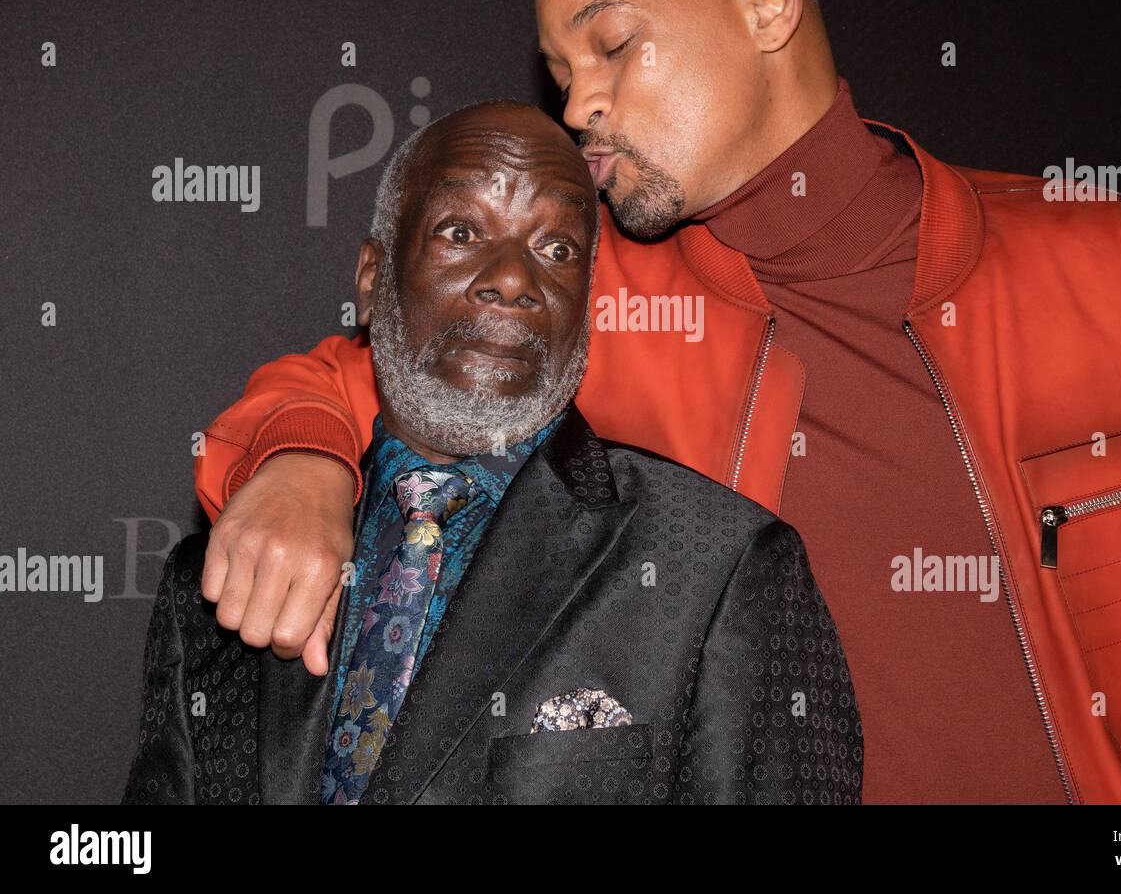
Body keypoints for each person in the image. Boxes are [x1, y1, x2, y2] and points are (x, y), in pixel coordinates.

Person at [190, 0, 1121, 803]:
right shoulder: (600, 298)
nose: (577, 105)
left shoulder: (1111, 263)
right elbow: (357, 368)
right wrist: (297, 458)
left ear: (766, 6)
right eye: (563, 73)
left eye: (611, 47)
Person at [122, 100, 862, 805]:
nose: (513, 278)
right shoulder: (220, 578)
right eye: (461, 233)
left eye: (558, 248)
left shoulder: (718, 567)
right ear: (373, 279)